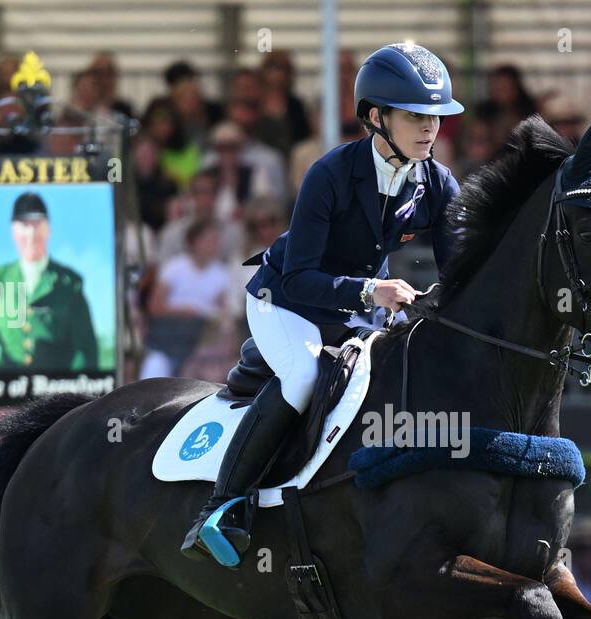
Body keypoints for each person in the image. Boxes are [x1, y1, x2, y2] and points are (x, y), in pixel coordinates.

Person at [180, 42, 464, 566]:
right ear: (376, 117)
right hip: (283, 301)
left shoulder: (436, 182)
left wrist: (439, 301)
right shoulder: (329, 174)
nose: (430, 128)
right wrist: (370, 291)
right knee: (306, 379)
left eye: (436, 117)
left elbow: (459, 269)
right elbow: (301, 276)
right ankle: (221, 509)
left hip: (352, 312)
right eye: (415, 116)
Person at [0, 192, 100, 372]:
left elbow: (85, 350)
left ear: (48, 229)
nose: (31, 233)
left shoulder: (70, 283)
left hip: (56, 391)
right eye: (24, 225)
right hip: (5, 391)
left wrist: (78, 396)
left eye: (37, 224)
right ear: (13, 231)